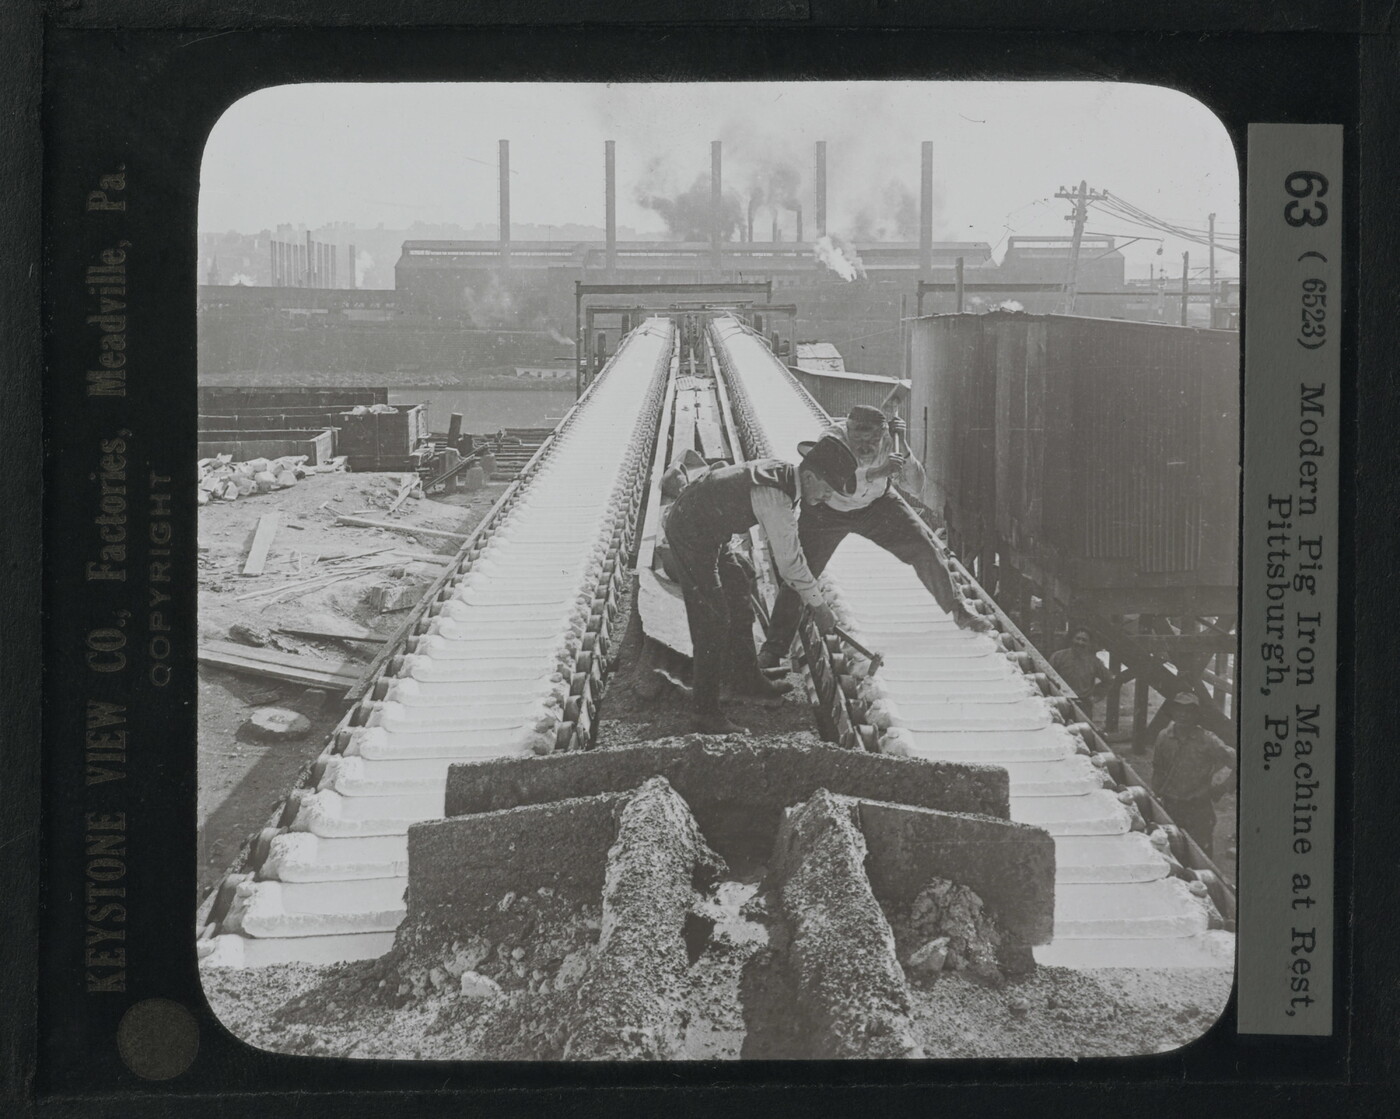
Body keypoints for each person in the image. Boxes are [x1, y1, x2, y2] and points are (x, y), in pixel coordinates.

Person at [759, 404, 991, 671]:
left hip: (876, 506)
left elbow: (916, 486)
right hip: (827, 510)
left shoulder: (891, 441)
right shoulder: (832, 440)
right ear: (848, 429)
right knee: (801, 573)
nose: (864, 445)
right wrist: (880, 471)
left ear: (883, 432)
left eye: (872, 439)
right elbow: (845, 484)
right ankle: (774, 648)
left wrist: (902, 445)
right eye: (858, 438)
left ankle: (959, 610)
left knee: (923, 547)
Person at [663, 435, 853, 735]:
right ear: (811, 476)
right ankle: (705, 713)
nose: (826, 498)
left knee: (741, 582)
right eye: (827, 490)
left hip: (710, 526)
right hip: (690, 531)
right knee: (712, 620)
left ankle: (746, 680)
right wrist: (819, 606)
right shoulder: (777, 497)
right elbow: (790, 564)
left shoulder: (785, 472)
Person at [1150, 692, 1236, 859]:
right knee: (1168, 855)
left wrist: (1223, 787)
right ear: (1173, 712)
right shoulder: (1163, 737)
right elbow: (1158, 770)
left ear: (1196, 715)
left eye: (1189, 711)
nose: (1183, 714)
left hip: (1198, 809)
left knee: (1200, 859)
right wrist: (1156, 797)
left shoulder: (1208, 740)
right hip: (1170, 806)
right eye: (1179, 709)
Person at [1049, 626, 1115, 720]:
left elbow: (1109, 679)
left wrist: (1095, 696)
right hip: (1060, 701)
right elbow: (1048, 676)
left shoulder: (1094, 661)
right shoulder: (1058, 656)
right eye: (1078, 638)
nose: (1080, 642)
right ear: (1072, 639)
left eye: (1084, 640)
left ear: (1089, 643)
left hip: (1083, 706)